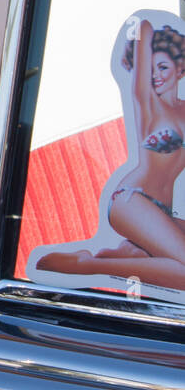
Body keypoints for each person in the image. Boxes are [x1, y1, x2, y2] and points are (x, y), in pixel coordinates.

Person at [37, 19, 185, 288]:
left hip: (161, 211)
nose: (157, 76)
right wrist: (151, 34)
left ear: (180, 68)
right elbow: (143, 29)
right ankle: (89, 266)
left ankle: (133, 253)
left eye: (163, 67)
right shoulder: (149, 105)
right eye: (151, 71)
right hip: (132, 200)